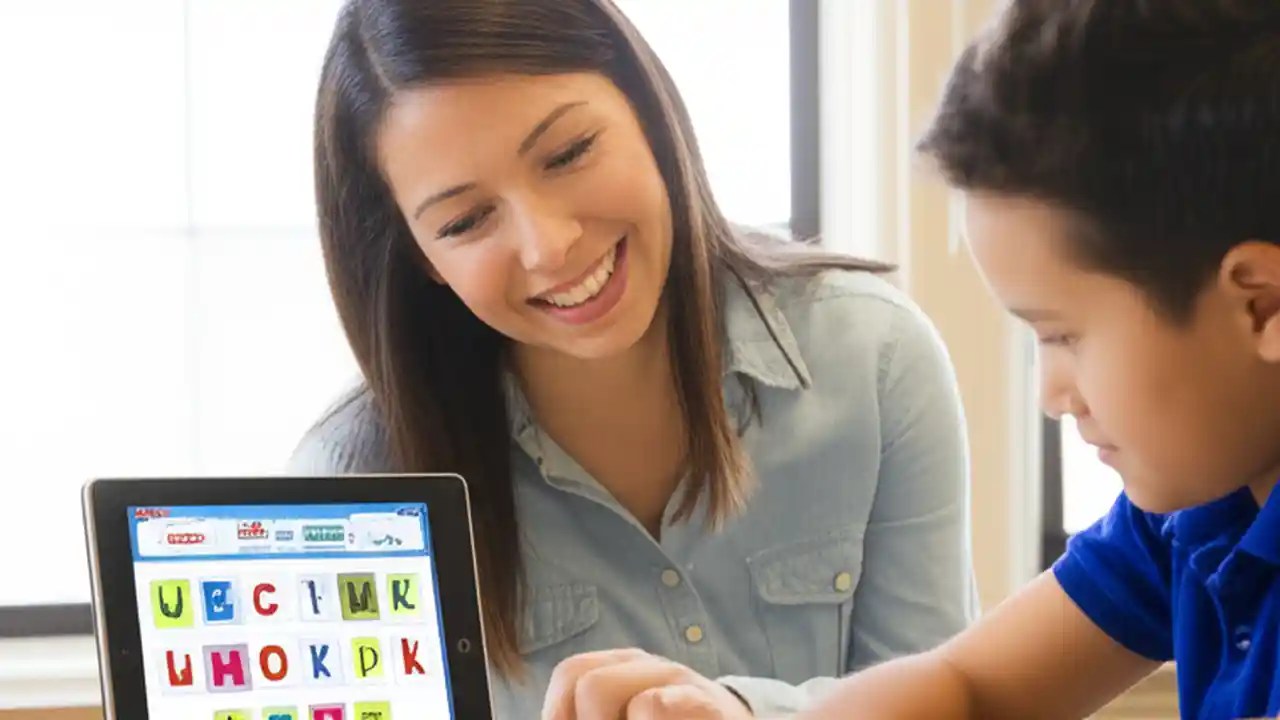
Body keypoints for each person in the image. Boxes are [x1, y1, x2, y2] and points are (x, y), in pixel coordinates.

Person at [547, 0, 1280, 717]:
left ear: (1262, 306)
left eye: (1062, 335)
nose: (1052, 394)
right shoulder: (1194, 512)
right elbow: (969, 686)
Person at [290, 0, 977, 716]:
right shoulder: (355, 483)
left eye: (567, 154)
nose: (548, 245)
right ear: (421, 258)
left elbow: (951, 700)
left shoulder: (873, 361)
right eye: (466, 222)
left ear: (647, 111)